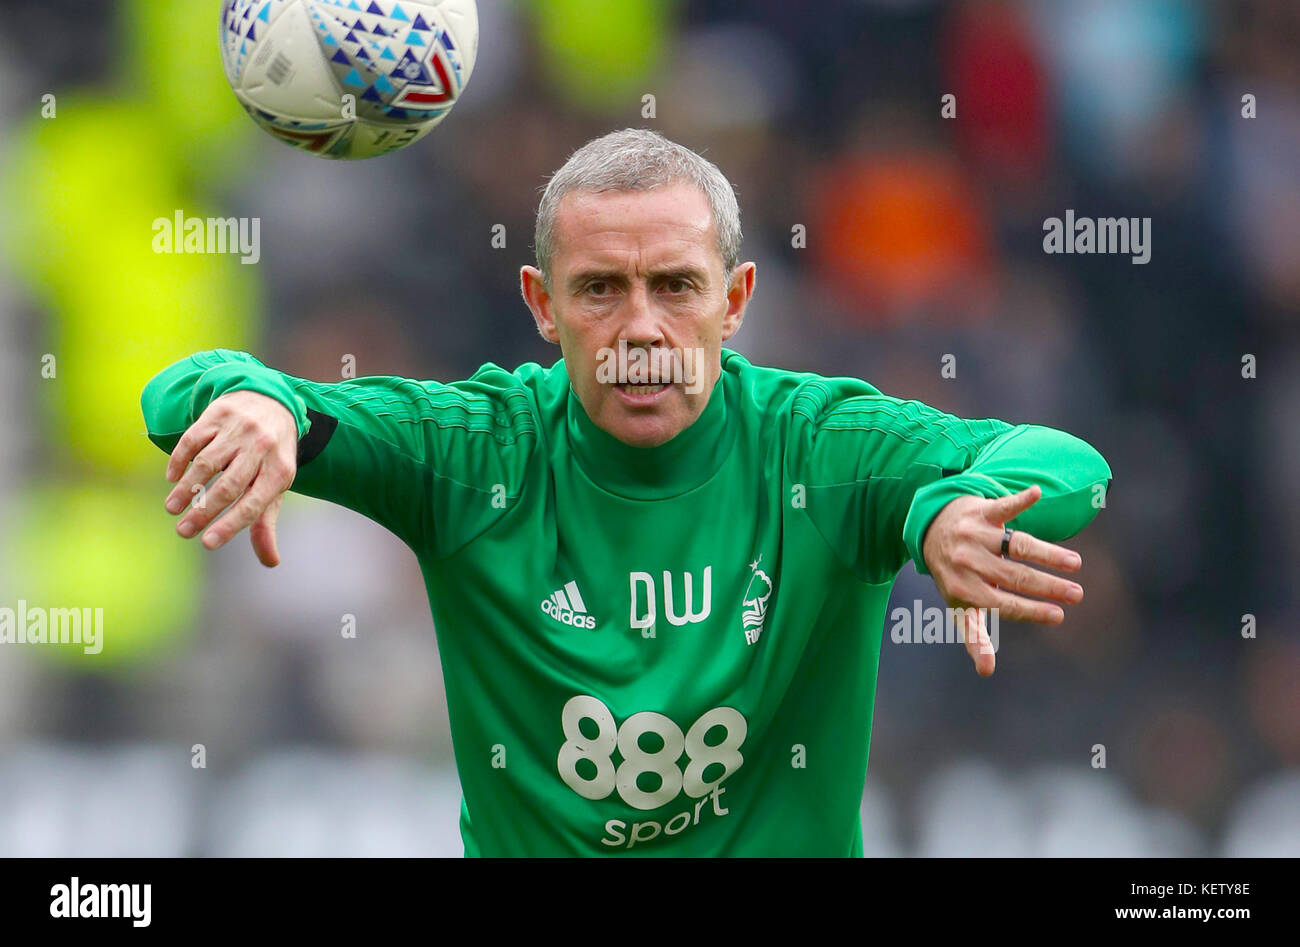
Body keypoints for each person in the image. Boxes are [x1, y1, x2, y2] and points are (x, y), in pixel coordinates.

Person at [140, 127, 1111, 857]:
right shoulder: (473, 448)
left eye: (677, 286)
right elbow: (171, 394)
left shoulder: (821, 446)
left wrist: (944, 505)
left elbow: (1070, 464)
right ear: (541, 303)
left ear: (734, 300)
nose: (640, 325)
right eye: (600, 288)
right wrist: (258, 401)